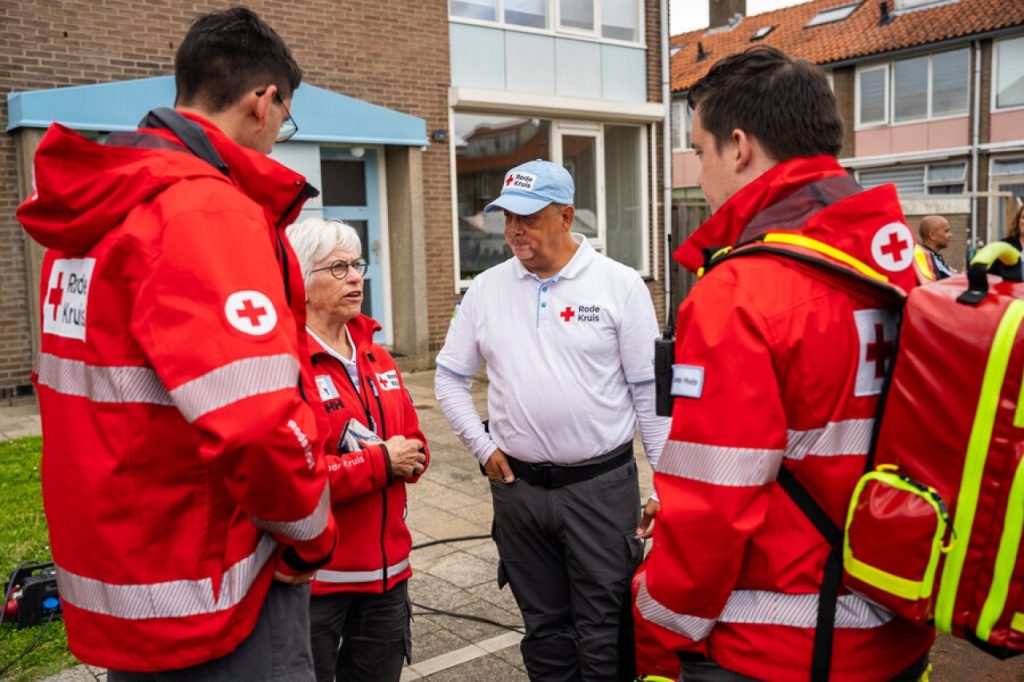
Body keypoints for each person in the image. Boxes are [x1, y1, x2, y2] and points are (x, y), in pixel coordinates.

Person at [17, 8, 337, 679]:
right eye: (285, 119)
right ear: (263, 101)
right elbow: (256, 423)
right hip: (213, 595)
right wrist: (311, 538)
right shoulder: (202, 212)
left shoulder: (99, 214)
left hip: (130, 585)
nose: (279, 138)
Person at [633, 46, 934, 681]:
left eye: (697, 150)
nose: (697, 175)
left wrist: (655, 635)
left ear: (738, 147)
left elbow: (712, 505)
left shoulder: (741, 292)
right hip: (902, 627)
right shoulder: (912, 267)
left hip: (776, 647)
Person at [434, 159, 670, 681]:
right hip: (518, 491)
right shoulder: (487, 289)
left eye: (529, 217)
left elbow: (649, 391)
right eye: (506, 218)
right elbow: (448, 378)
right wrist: (483, 448)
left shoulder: (620, 285)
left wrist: (664, 483)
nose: (515, 230)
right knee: (543, 627)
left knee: (605, 626)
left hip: (599, 489)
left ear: (565, 216)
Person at [286, 217, 428, 682]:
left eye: (357, 264)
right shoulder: (287, 363)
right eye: (338, 267)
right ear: (301, 283)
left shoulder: (375, 351)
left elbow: (414, 440)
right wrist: (380, 461)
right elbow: (294, 479)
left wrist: (407, 457)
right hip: (318, 583)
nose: (355, 276)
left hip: (389, 576)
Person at [918, 214, 955, 279]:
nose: (951, 235)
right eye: (946, 231)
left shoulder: (934, 257)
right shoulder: (926, 260)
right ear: (932, 235)